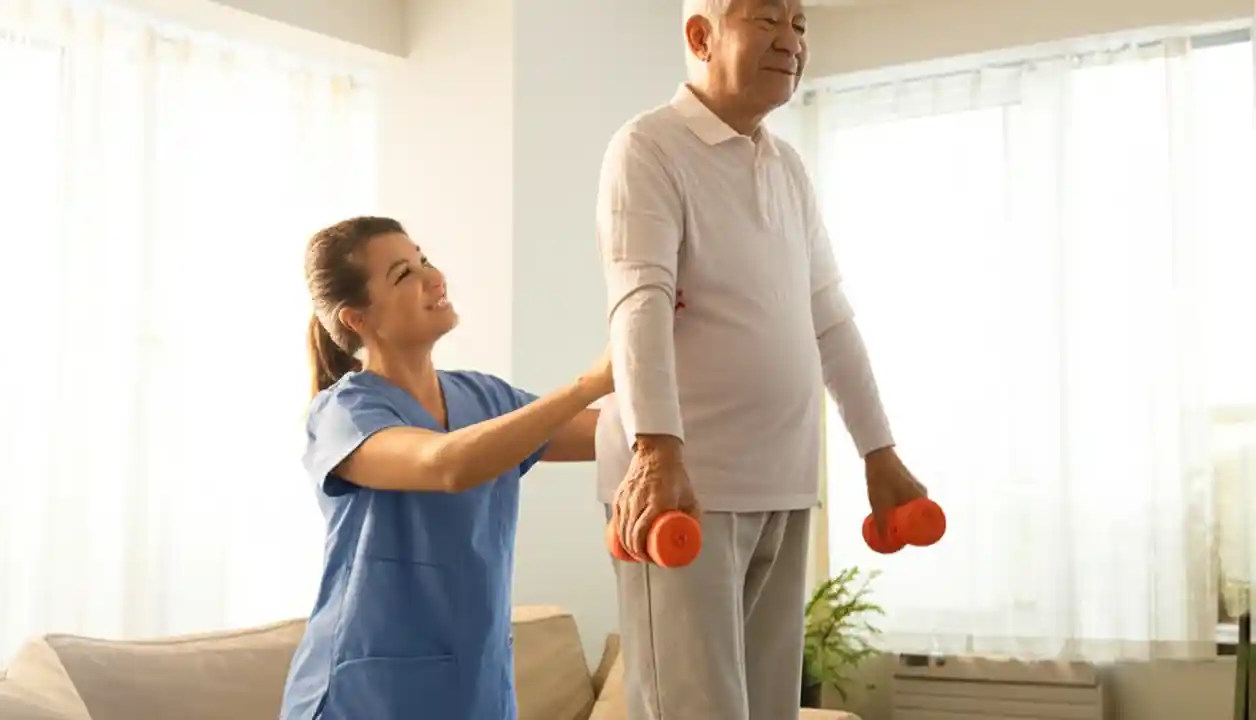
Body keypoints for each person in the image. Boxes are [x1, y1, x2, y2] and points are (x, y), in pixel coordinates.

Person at [593, 1, 928, 718]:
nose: (791, 40)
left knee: (770, 709)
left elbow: (829, 318)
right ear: (700, 36)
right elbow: (638, 301)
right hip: (685, 490)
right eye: (766, 20)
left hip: (782, 476)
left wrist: (880, 452)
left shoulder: (788, 166)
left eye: (800, 24)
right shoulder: (647, 147)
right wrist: (655, 450)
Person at [279, 216, 611, 720]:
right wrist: (589, 383)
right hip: (366, 698)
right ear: (357, 319)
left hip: (477, 690)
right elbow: (447, 464)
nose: (433, 277)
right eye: (402, 274)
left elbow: (615, 435)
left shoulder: (485, 397)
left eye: (424, 260)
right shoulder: (342, 414)